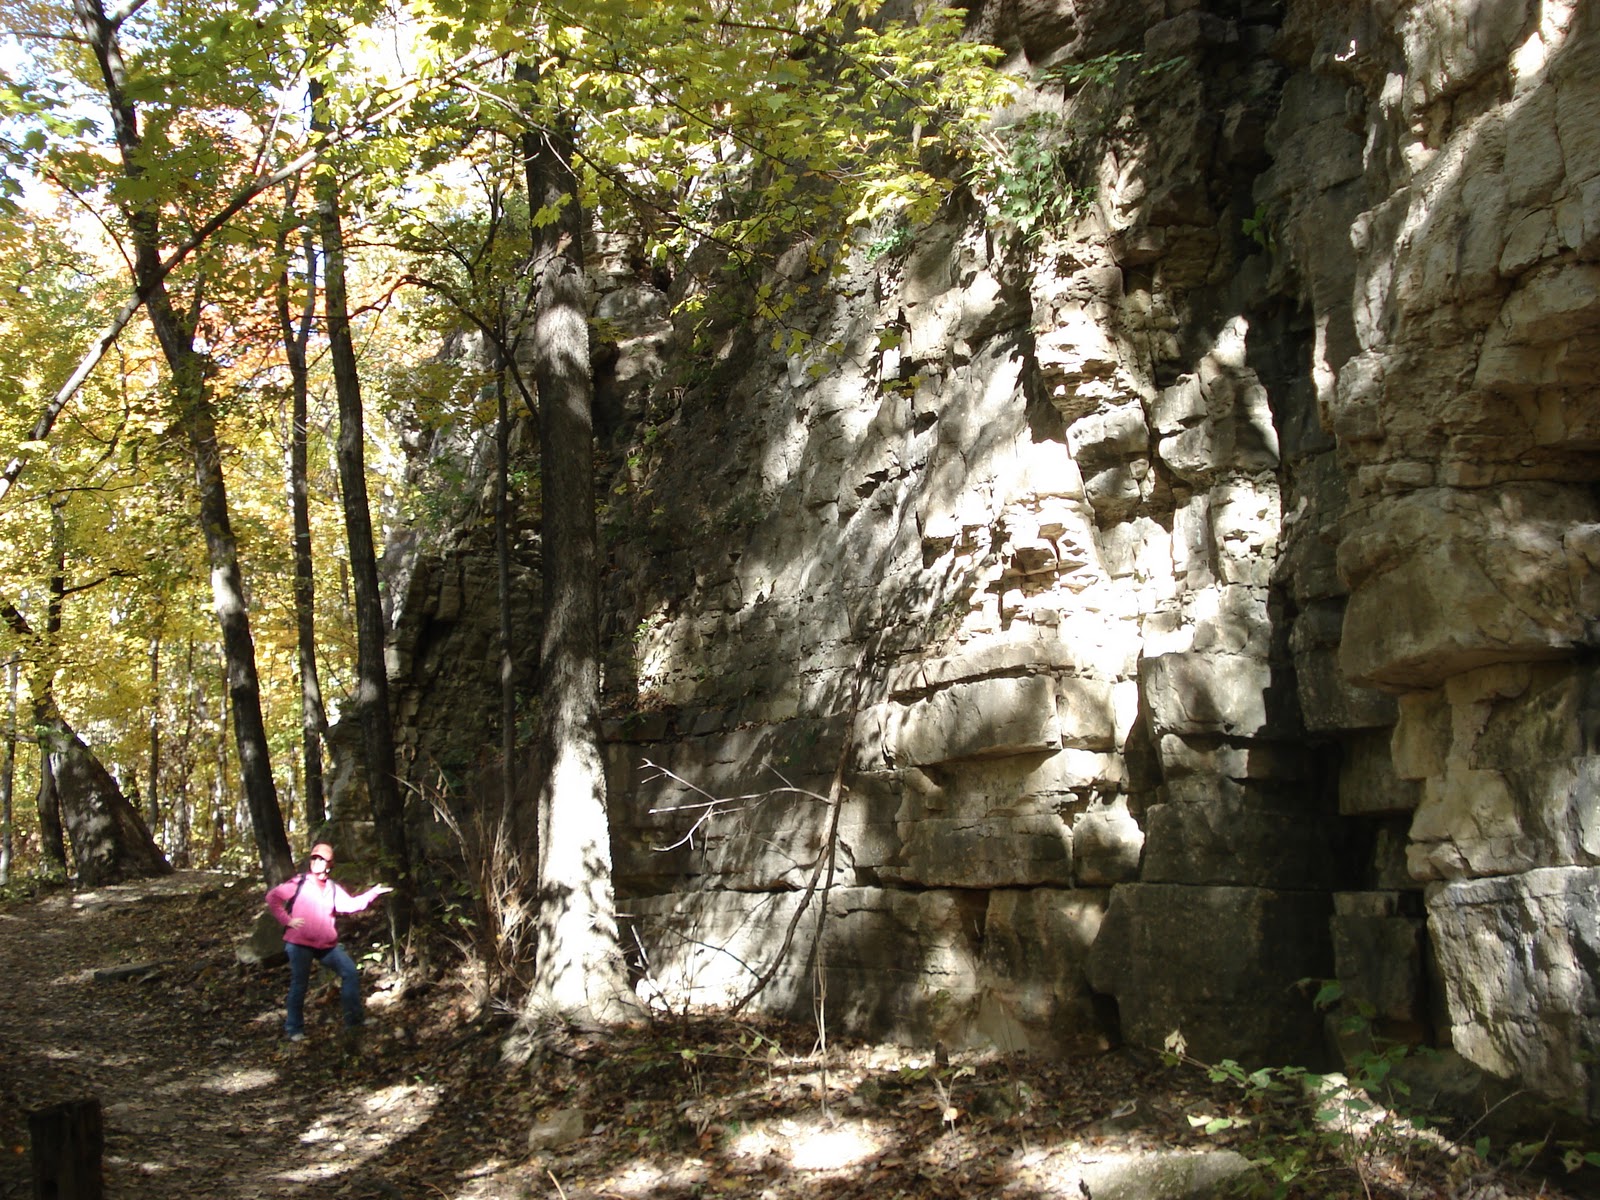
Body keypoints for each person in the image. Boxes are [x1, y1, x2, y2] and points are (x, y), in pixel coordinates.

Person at [264, 841, 393, 1043]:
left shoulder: (332, 887)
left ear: (329, 864)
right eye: (314, 858)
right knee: (300, 984)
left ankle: (354, 1022)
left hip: (326, 945)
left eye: (322, 859)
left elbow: (350, 905)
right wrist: (287, 920)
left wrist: (373, 893)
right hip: (299, 944)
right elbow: (273, 897)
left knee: (350, 972)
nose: (317, 862)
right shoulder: (299, 882)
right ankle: (294, 1029)